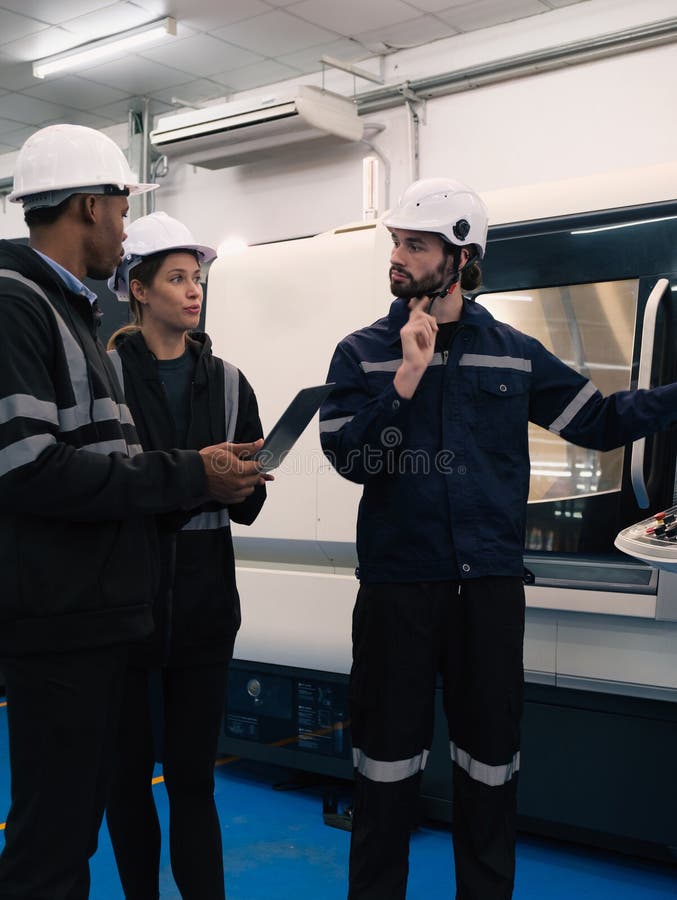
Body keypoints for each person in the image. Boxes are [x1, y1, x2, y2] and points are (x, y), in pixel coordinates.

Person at [319, 176, 677, 900]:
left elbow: (601, 420)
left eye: (415, 245)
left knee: (490, 767)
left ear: (461, 259)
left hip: (487, 592)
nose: (397, 257)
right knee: (383, 767)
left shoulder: (514, 353)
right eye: (396, 242)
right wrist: (406, 380)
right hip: (397, 592)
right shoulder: (361, 353)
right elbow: (353, 460)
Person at [0, 124, 269, 900]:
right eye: (121, 208)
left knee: (71, 836)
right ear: (90, 205)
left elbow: (106, 475)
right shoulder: (18, 305)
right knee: (52, 843)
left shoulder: (71, 316)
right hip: (61, 619)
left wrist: (210, 483)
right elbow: (28, 467)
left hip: (104, 617)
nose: (124, 226)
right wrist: (190, 472)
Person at [104, 212, 266, 900]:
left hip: (204, 615)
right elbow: (104, 488)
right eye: (176, 278)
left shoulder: (229, 383)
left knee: (194, 781)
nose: (193, 290)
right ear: (138, 290)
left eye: (196, 278)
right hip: (124, 613)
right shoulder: (105, 379)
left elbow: (249, 503)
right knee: (125, 781)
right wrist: (199, 480)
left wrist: (243, 482)